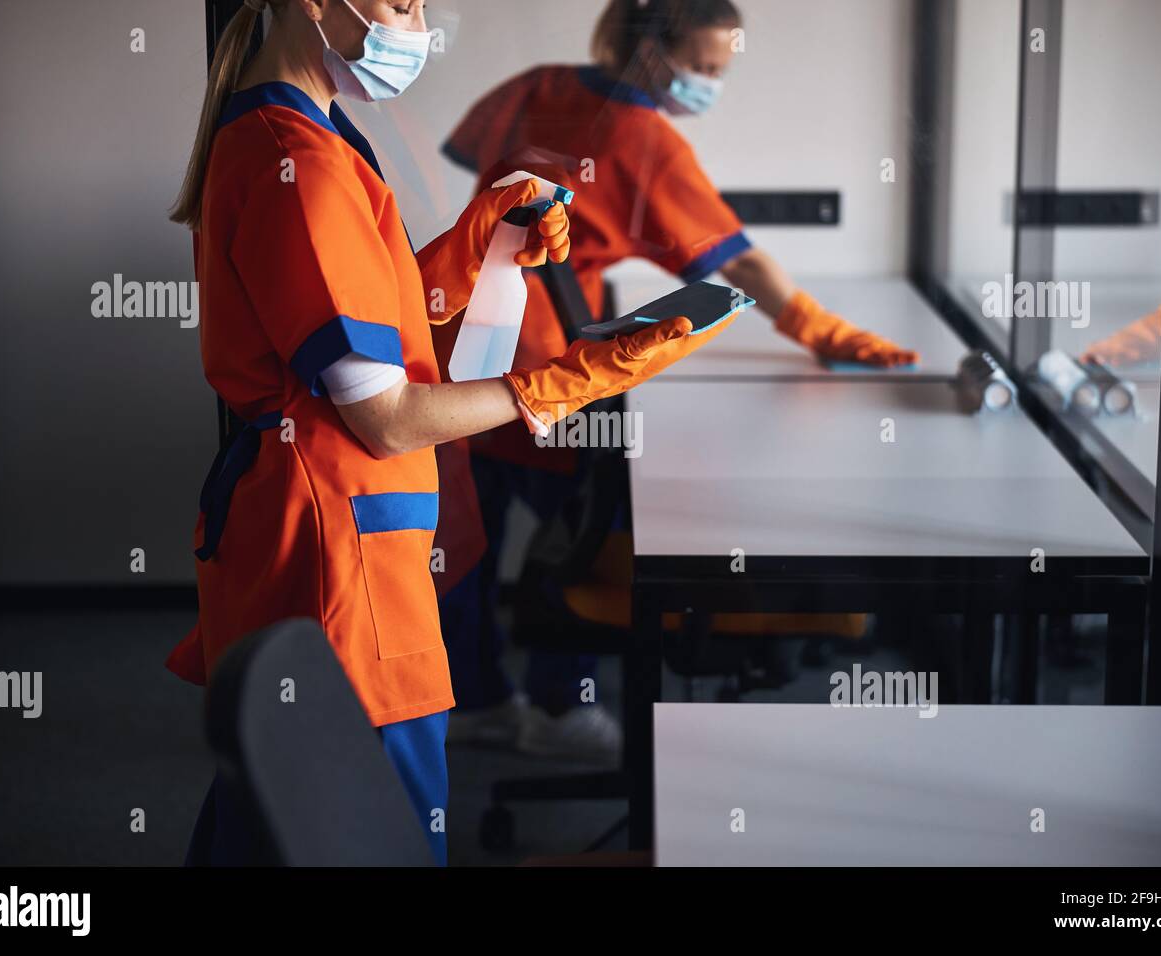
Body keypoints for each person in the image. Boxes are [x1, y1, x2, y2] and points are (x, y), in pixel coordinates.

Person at [165, 0, 723, 866]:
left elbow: (353, 325)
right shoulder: (296, 160)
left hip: (325, 526)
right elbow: (382, 417)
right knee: (359, 818)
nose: (416, 24)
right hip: (338, 553)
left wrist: (468, 250)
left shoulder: (305, 130)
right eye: (400, 2)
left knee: (274, 803)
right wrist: (566, 383)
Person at [436, 0, 919, 759]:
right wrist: (824, 331)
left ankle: (472, 701)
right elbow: (739, 262)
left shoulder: (538, 83)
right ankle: (564, 706)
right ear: (655, 55)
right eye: (705, 69)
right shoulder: (644, 140)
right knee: (588, 530)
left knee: (465, 534)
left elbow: (475, 159)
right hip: (542, 367)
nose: (711, 84)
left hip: (457, 336)